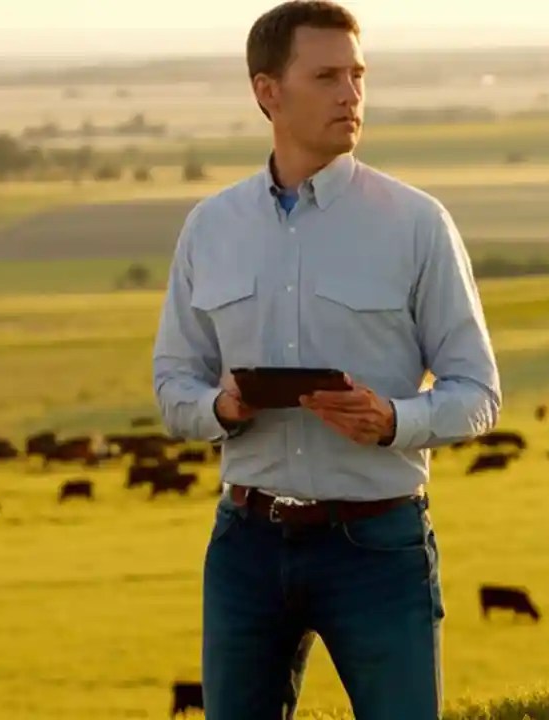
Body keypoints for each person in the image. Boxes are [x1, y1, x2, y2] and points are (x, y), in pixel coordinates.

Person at [151, 2, 501, 718]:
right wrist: (219, 408)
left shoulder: (415, 224)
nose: (351, 95)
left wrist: (392, 419)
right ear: (267, 92)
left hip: (377, 545)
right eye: (327, 76)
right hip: (245, 546)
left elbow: (478, 392)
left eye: (358, 75)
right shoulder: (210, 227)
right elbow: (170, 383)